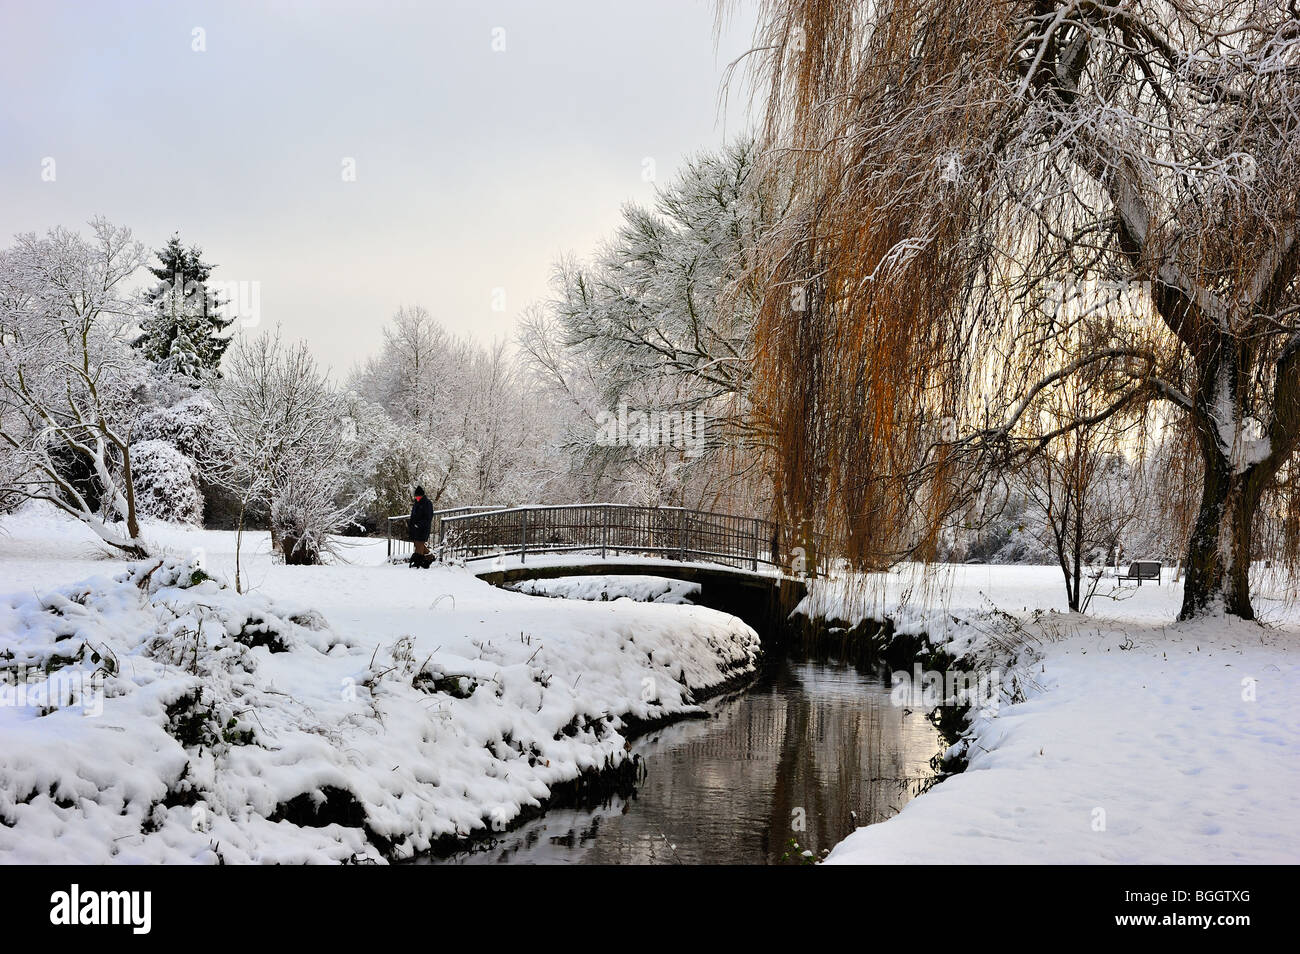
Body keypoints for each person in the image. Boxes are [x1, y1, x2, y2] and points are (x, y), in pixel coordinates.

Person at [408, 486, 434, 568]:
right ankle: (431, 557)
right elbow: (413, 516)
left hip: (423, 529)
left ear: (422, 495)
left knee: (419, 544)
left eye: (418, 496)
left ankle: (418, 562)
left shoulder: (427, 503)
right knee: (418, 544)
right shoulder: (416, 503)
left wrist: (419, 524)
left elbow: (428, 517)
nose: (416, 497)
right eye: (416, 496)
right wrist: (412, 525)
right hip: (415, 529)